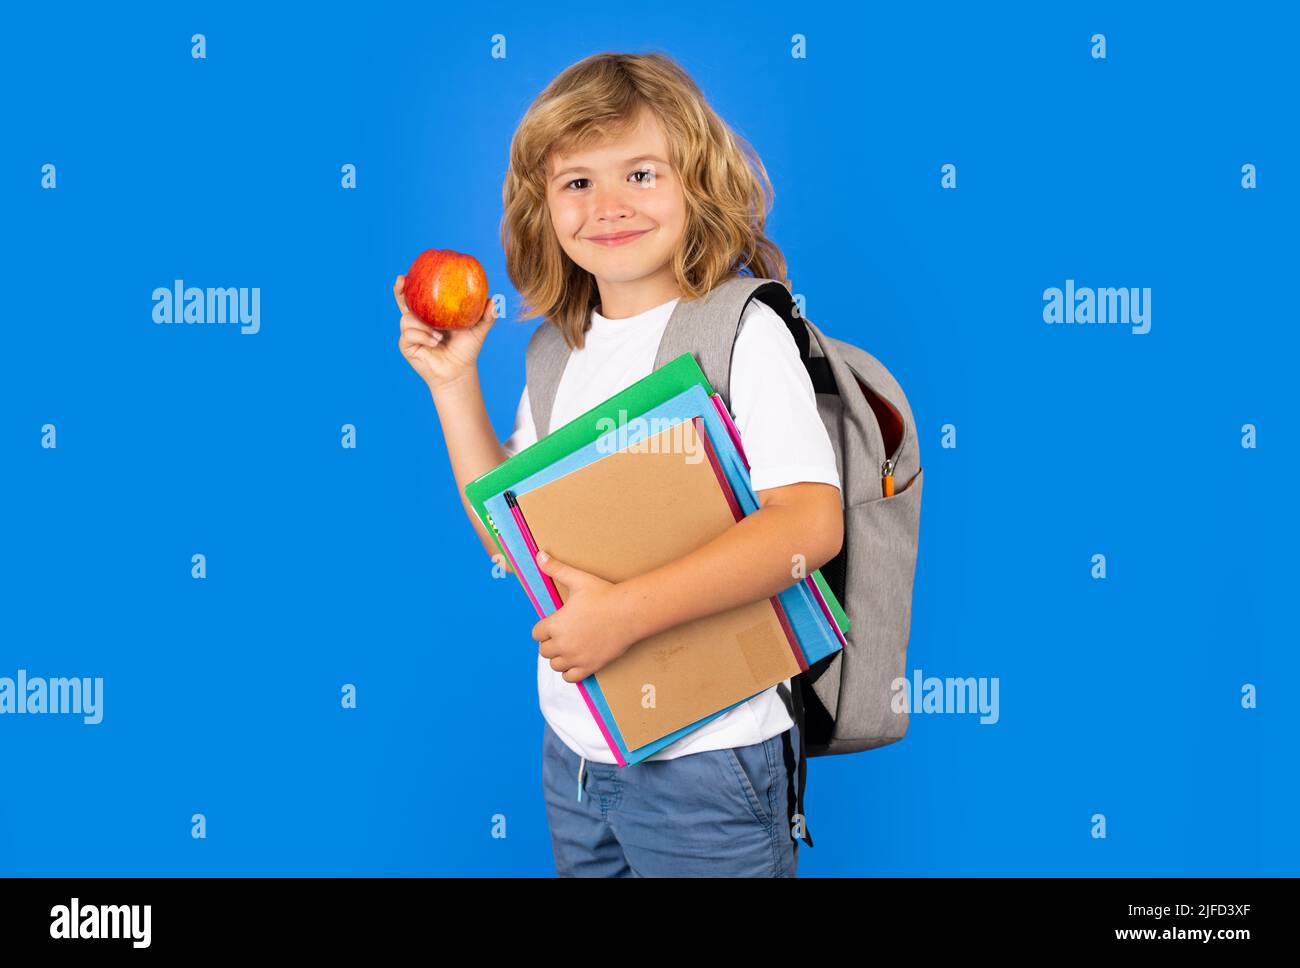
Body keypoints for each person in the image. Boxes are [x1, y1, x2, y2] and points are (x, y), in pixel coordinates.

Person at [395, 51, 842, 877]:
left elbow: (808, 525)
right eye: (577, 184)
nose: (608, 206)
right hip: (577, 752)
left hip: (710, 761)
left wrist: (624, 616)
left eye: (641, 173)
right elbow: (513, 542)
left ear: (696, 185)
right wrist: (455, 387)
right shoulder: (555, 351)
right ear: (543, 207)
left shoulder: (744, 330)